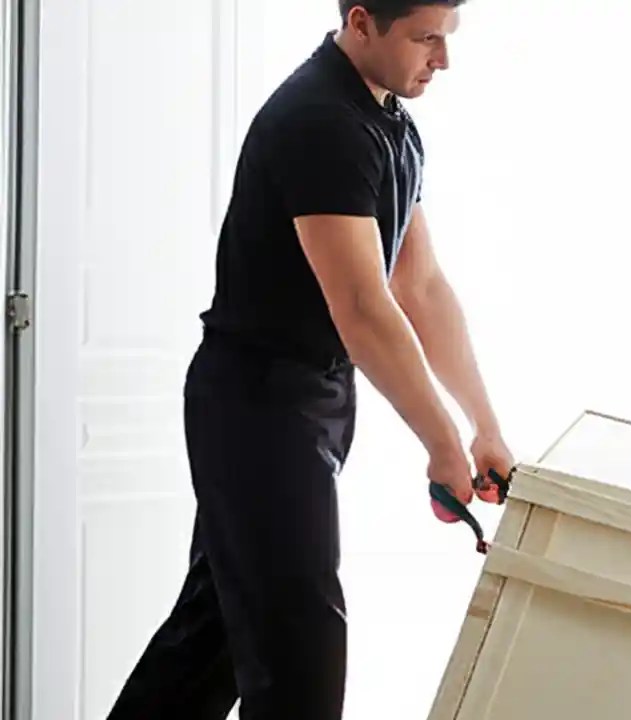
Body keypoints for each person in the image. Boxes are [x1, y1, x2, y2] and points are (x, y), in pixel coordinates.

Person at [107, 1, 510, 718]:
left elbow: (418, 284)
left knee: (215, 638)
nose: (441, 61)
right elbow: (361, 308)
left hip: (312, 399)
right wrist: (442, 444)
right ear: (361, 22)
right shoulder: (319, 122)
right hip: (258, 405)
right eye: (425, 39)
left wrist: (483, 425)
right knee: (300, 664)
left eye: (446, 40)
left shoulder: (389, 123)